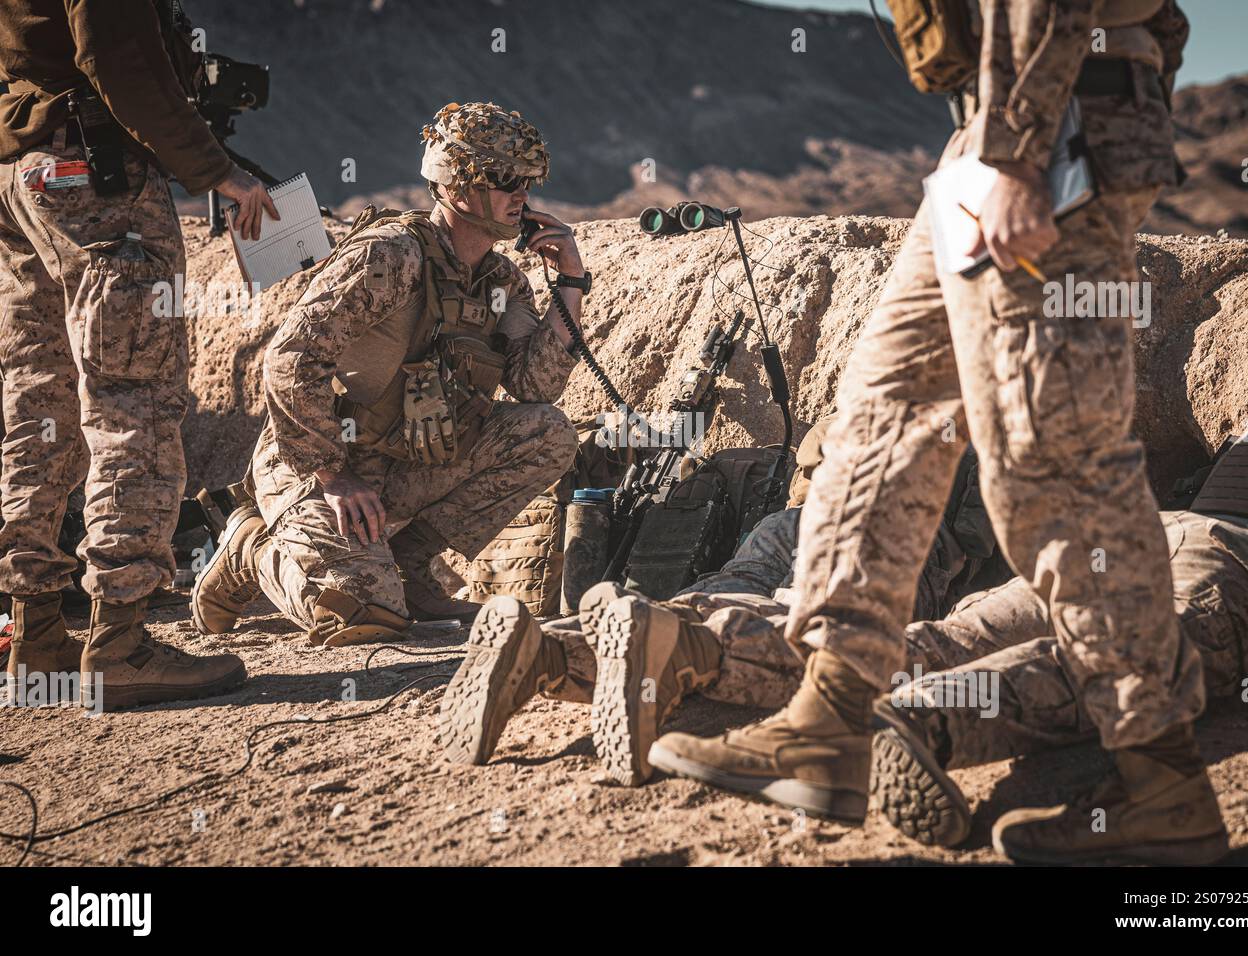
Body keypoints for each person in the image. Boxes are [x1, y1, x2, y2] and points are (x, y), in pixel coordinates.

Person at [647, 1, 1225, 865]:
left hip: (1040, 143)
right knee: (884, 414)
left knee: (1053, 456)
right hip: (988, 143)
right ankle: (828, 721)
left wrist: (1032, 145)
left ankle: (1163, 781)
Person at [192, 102, 586, 648]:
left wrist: (571, 278)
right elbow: (289, 359)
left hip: (405, 462)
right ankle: (250, 548)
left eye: (529, 179)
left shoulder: (501, 279)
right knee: (363, 616)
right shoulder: (390, 257)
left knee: (548, 433)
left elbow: (536, 388)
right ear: (454, 185)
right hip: (320, 468)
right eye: (503, 178)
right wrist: (333, 475)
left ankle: (408, 567)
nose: (521, 193)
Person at [439, 418, 1000, 786]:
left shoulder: (896, 364)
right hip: (898, 538)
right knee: (817, 627)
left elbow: (815, 450)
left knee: (720, 592)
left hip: (796, 522)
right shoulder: (992, 400)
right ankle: (680, 648)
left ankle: (551, 648)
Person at [872, 391, 1248, 854]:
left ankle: (828, 685)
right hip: (1245, 553)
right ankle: (928, 716)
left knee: (960, 636)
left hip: (1143, 531)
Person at [0, 0, 276, 709]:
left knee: (41, 404)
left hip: (22, 175)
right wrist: (217, 171)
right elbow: (116, 60)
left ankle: (36, 639)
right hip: (98, 176)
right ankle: (120, 641)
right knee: (136, 403)